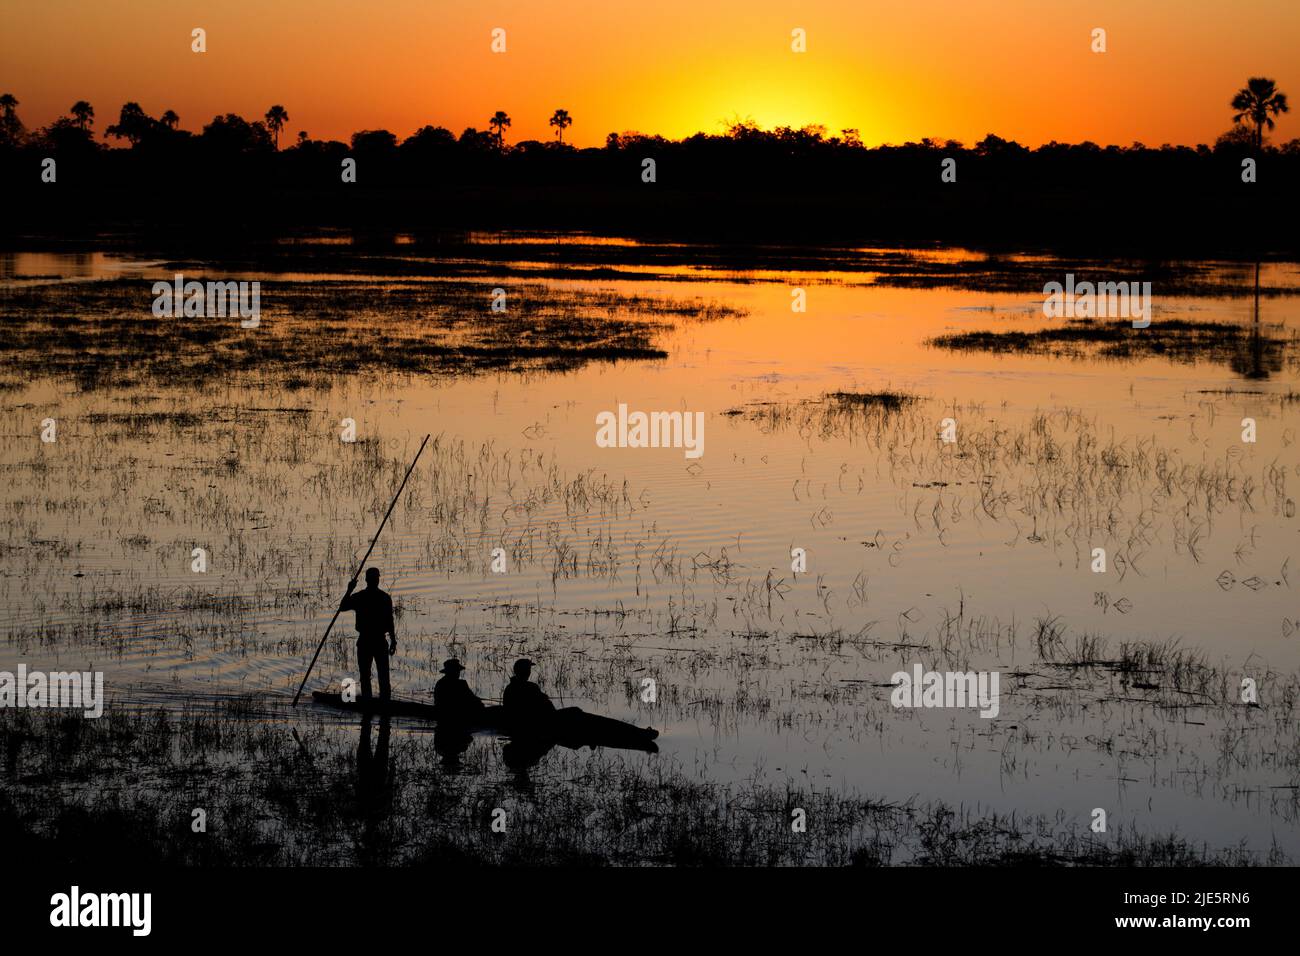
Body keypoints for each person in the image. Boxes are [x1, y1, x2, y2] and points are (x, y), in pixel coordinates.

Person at [340, 567, 396, 702]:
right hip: (366, 641)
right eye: (373, 578)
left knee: (382, 676)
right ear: (368, 580)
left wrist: (393, 640)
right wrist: (349, 590)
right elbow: (342, 607)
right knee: (366, 676)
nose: (375, 580)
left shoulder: (382, 598)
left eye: (376, 578)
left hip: (378, 641)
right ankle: (368, 703)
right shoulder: (362, 597)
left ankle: (383, 703)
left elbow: (389, 620)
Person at [502, 658, 555, 727]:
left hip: (511, 720)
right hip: (529, 721)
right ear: (527, 672)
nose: (529, 672)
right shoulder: (532, 687)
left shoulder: (508, 688)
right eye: (529, 669)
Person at [433, 658, 485, 724]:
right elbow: (473, 699)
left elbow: (472, 698)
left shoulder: (441, 683)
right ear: (451, 672)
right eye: (456, 671)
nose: (458, 673)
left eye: (458, 671)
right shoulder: (460, 685)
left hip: (446, 712)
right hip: (455, 714)